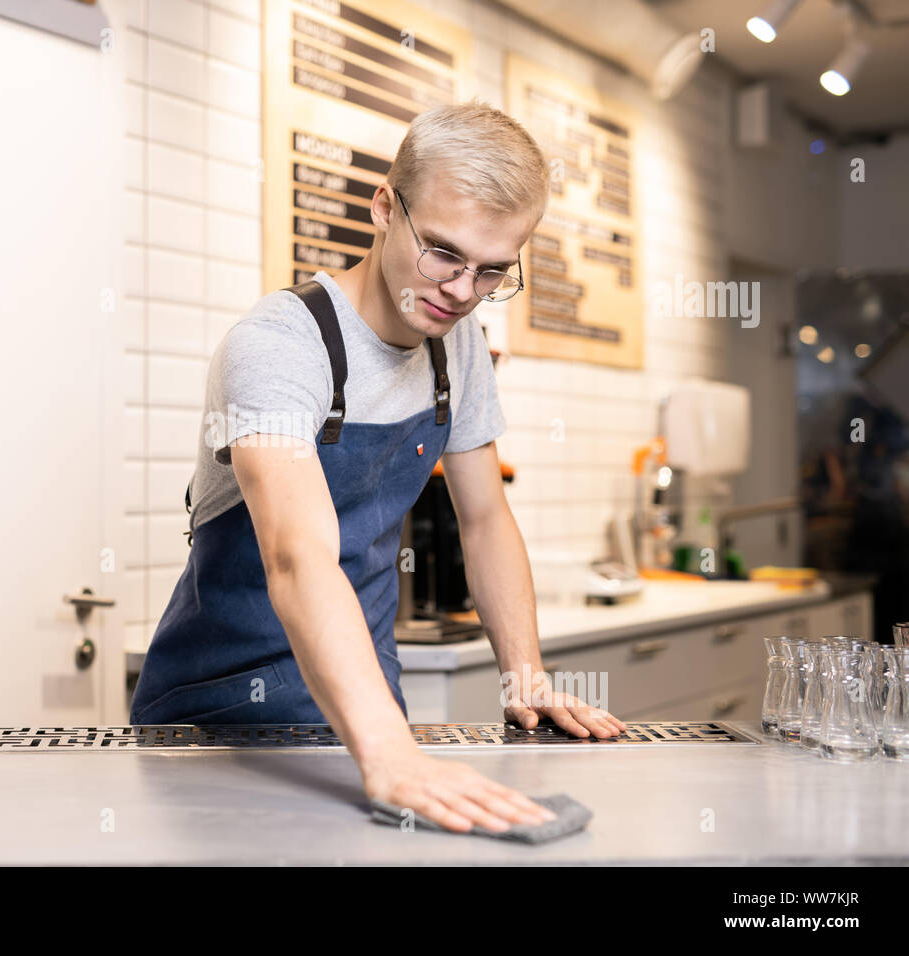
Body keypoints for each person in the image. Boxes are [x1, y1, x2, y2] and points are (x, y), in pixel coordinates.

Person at [129, 100, 627, 833]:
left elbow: (485, 520)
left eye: (492, 271)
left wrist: (525, 680)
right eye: (445, 254)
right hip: (219, 724)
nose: (461, 291)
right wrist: (390, 754)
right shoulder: (277, 345)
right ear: (384, 207)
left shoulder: (456, 348)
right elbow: (298, 559)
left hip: (366, 710)